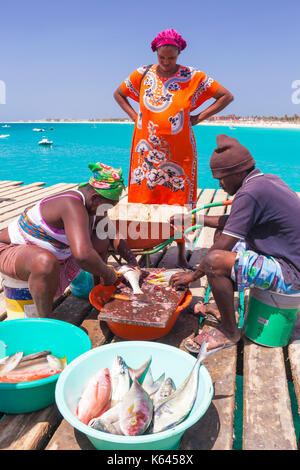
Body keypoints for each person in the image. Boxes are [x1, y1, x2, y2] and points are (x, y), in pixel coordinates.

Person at [113, 28, 233, 269]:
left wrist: (199, 117)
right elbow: (119, 94)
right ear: (155, 52)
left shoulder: (193, 76)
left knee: (177, 200)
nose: (167, 63)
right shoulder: (141, 74)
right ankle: (145, 249)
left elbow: (225, 96)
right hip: (145, 149)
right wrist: (135, 117)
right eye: (162, 57)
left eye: (172, 58)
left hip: (179, 152)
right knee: (144, 199)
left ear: (179, 53)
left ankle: (179, 252)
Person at [170, 134, 300, 352]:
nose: (220, 185)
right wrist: (195, 219)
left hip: (291, 274)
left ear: (238, 172)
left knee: (214, 260)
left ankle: (229, 331)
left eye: (222, 178)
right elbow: (233, 223)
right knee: (221, 234)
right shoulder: (266, 181)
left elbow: (222, 248)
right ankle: (224, 307)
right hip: (285, 258)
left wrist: (192, 275)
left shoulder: (250, 193)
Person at [0, 162, 139, 318]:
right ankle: (45, 321)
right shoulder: (71, 204)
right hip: (9, 250)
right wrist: (108, 274)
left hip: (49, 256)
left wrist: (133, 263)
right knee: (45, 262)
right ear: (94, 198)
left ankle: (97, 290)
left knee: (100, 239)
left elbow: (112, 234)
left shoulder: (93, 206)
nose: (105, 211)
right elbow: (83, 256)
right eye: (107, 207)